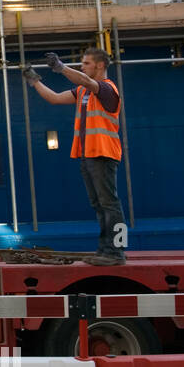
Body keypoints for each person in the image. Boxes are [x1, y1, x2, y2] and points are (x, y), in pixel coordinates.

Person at [23, 48, 126, 265]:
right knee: (100, 204)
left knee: (110, 204)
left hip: (103, 153)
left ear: (100, 66)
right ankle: (106, 250)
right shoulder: (83, 92)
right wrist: (34, 80)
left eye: (87, 63)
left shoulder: (107, 89)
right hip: (88, 154)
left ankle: (116, 252)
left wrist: (60, 68)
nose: (83, 67)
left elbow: (87, 81)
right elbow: (54, 98)